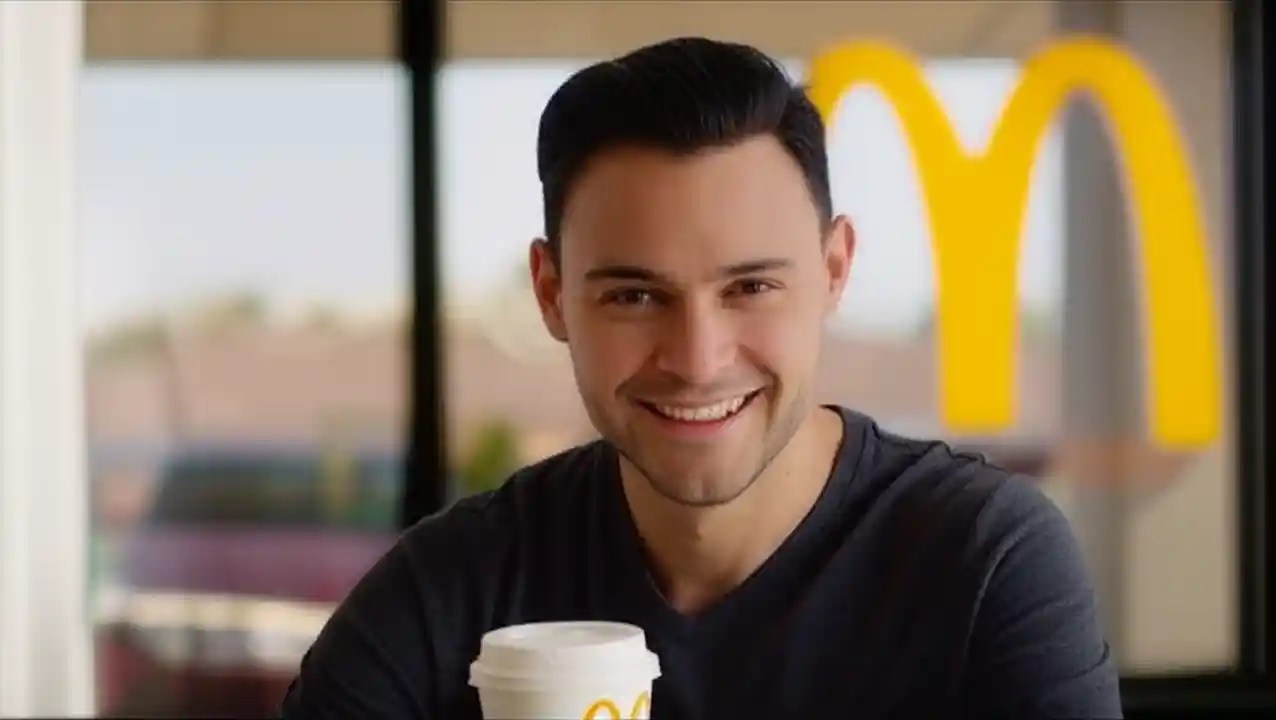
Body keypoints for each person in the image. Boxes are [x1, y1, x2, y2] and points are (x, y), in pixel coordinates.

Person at [281, 37, 1121, 719]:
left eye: (751, 287)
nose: (697, 357)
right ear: (552, 295)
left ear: (834, 272)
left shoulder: (980, 565)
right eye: (635, 294)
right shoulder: (457, 586)